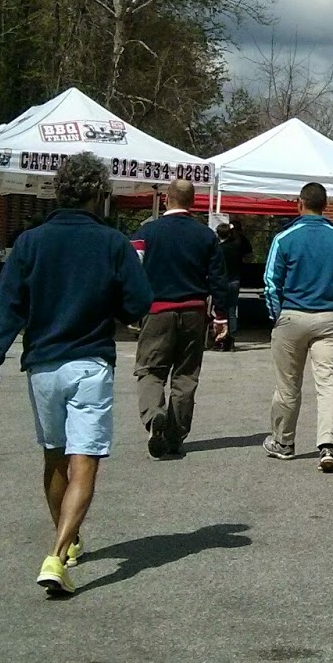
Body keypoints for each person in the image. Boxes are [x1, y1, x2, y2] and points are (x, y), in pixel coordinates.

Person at [0, 152, 152, 597]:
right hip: (90, 362)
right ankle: (58, 555)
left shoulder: (30, 242)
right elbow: (139, 302)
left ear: (60, 191)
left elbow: (7, 308)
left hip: (42, 364)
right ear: (99, 194)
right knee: (86, 460)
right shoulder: (112, 243)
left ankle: (70, 539)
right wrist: (113, 307)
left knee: (54, 458)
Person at [263, 182, 333, 473]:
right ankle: (327, 445)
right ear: (326, 204)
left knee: (287, 385)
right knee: (328, 384)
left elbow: (271, 283)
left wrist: (276, 316)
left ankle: (284, 442)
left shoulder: (284, 237)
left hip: (292, 316)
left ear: (300, 203)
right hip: (329, 317)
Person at [134, 180, 229, 459]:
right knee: (186, 375)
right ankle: (175, 436)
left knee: (150, 370)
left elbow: (132, 270)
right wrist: (221, 317)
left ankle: (154, 417)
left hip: (158, 309)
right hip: (193, 310)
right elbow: (218, 279)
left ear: (166, 199)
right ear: (193, 201)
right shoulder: (206, 236)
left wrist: (132, 307)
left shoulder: (146, 232)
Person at [215, 222, 245, 351]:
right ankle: (231, 338)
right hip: (235, 281)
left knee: (220, 311)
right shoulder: (236, 247)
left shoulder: (218, 249)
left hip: (221, 282)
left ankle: (220, 338)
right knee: (232, 311)